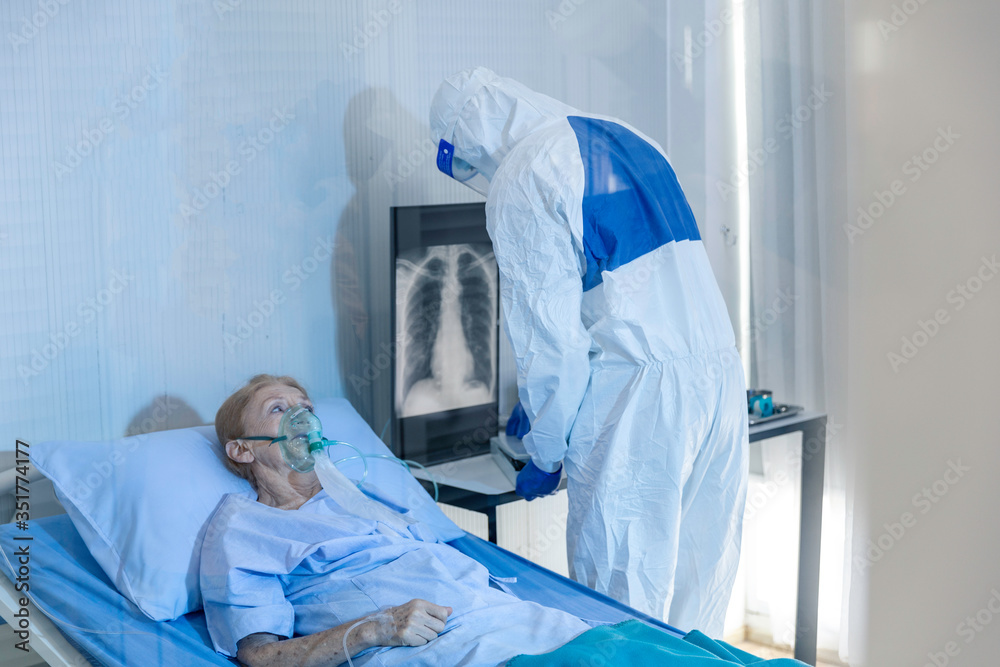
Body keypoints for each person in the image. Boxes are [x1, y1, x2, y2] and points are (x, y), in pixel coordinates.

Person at [429, 67, 749, 636]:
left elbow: (552, 347)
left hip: (638, 395)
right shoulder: (625, 134)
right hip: (717, 371)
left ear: (471, 143)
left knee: (621, 602)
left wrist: (546, 452)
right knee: (702, 582)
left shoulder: (524, 174)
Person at [202, 374, 591, 666]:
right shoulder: (246, 528)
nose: (301, 418)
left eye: (305, 408)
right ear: (241, 450)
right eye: (278, 409)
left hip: (511, 618)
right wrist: (374, 628)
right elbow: (261, 656)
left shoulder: (353, 496)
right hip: (438, 650)